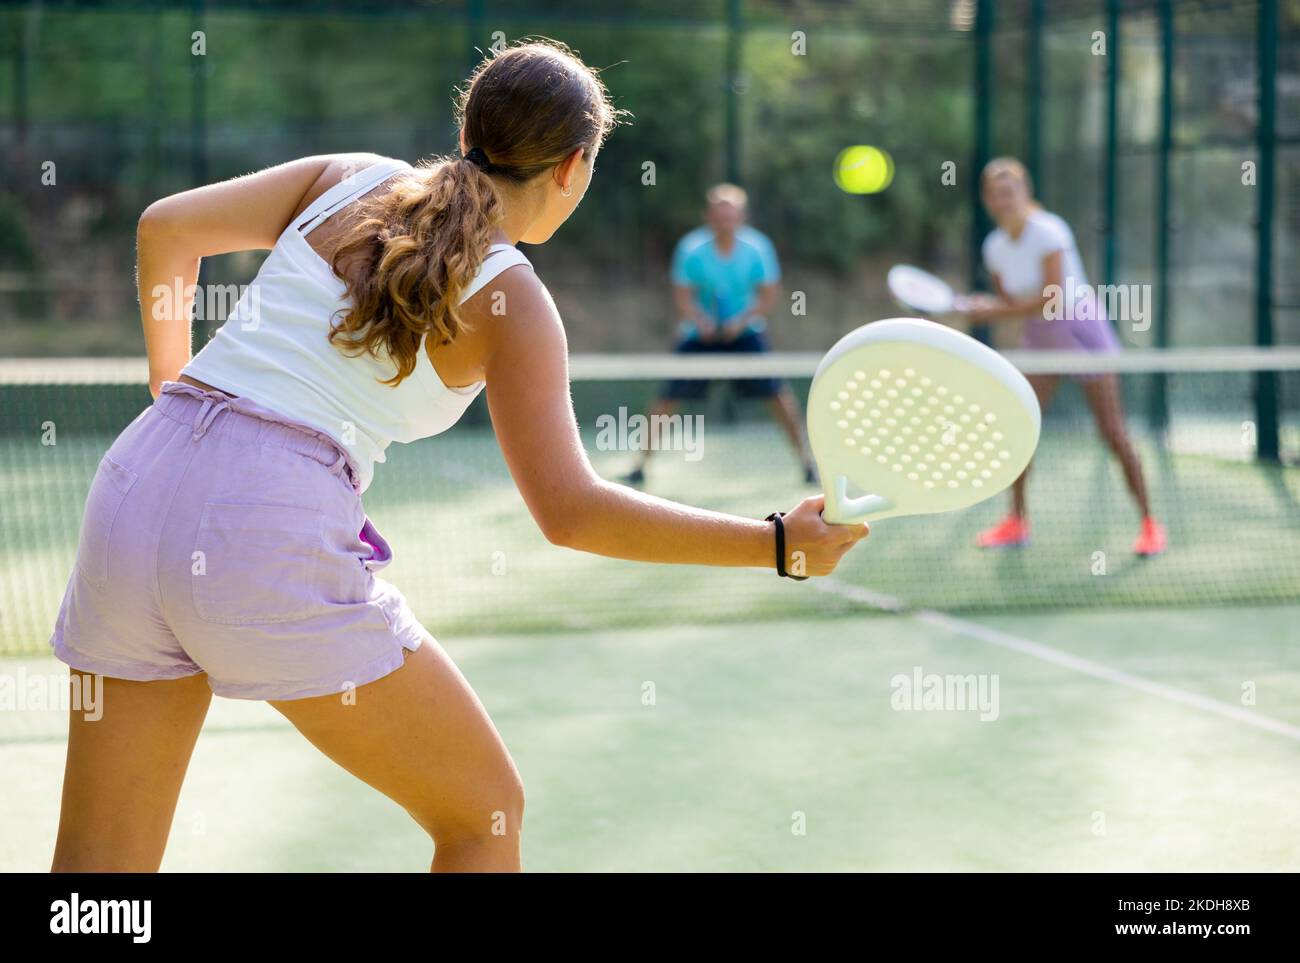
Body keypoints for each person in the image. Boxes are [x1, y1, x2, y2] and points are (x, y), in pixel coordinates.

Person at [47, 41, 869, 874]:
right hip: (263, 525)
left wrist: (171, 383)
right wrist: (777, 544)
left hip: (134, 485)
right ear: (573, 168)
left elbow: (166, 227)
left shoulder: (350, 175)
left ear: (467, 126)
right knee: (486, 818)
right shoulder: (516, 302)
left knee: (97, 871)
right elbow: (572, 512)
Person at [961, 157, 1166, 556]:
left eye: (1010, 192)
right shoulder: (995, 247)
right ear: (987, 200)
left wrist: (995, 310)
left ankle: (1149, 524)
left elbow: (1051, 298)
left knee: (1112, 432)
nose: (1004, 200)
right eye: (995, 194)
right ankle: (1017, 522)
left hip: (1078, 328)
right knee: (1020, 430)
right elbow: (1009, 301)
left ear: (1025, 193)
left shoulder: (1049, 231)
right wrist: (983, 304)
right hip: (1040, 336)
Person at [623, 184, 816, 486]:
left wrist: (741, 322)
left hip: (746, 333)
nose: (725, 221)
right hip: (700, 335)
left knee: (779, 397)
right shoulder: (691, 249)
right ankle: (640, 464)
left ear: (741, 217)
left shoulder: (758, 248)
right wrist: (700, 321)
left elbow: (767, 296)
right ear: (709, 217)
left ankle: (806, 461)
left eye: (731, 215)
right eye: (719, 215)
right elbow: (683, 296)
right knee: (667, 398)